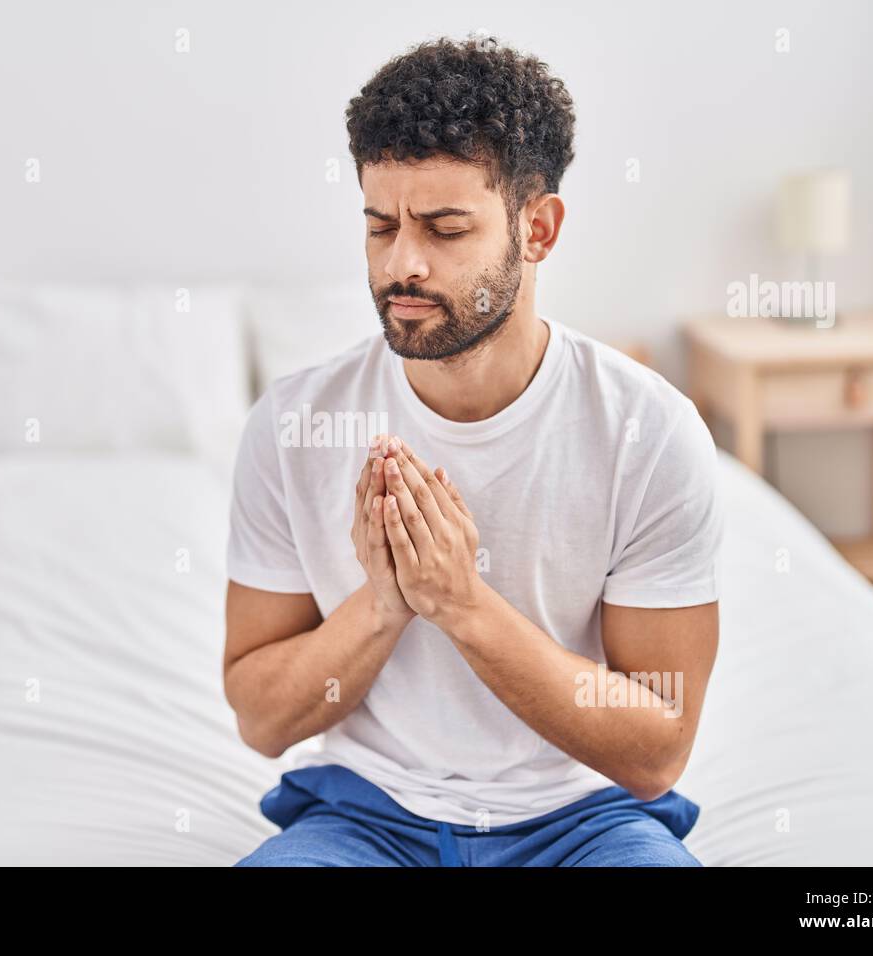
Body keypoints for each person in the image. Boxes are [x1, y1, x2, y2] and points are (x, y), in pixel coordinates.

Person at [223, 35, 722, 866]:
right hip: (362, 818)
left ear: (539, 228)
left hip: (586, 818)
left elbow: (654, 752)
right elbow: (260, 719)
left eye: (445, 228)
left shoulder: (649, 433)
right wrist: (382, 607)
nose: (401, 264)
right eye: (380, 227)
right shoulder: (293, 426)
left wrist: (459, 603)